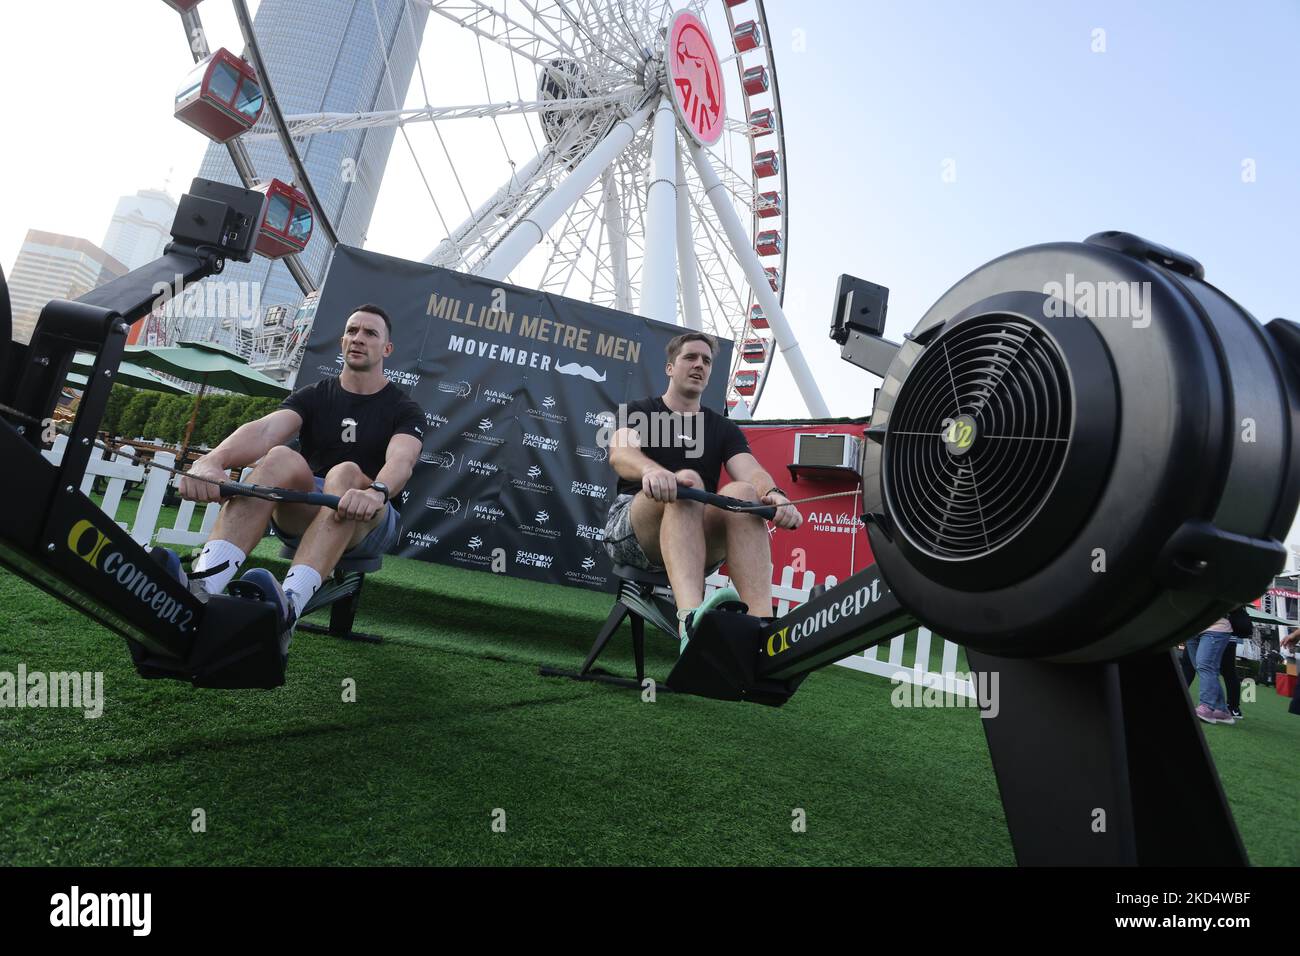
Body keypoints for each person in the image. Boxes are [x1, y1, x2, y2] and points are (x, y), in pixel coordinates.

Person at [156, 304, 424, 638]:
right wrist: (210, 461)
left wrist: (376, 491)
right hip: (307, 512)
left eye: (370, 333)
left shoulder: (404, 408)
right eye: (352, 330)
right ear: (342, 340)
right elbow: (265, 431)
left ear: (387, 349)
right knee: (279, 456)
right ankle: (201, 588)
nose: (358, 338)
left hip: (371, 519)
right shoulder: (314, 395)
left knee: (346, 474)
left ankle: (289, 607)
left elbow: (402, 460)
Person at [603, 331, 802, 651]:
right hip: (634, 533)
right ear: (670, 367)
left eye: (706, 361)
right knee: (687, 482)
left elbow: (751, 471)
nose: (699, 365)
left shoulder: (723, 428)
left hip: (695, 540)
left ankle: (761, 629)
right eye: (690, 358)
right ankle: (691, 624)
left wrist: (775, 494)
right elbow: (620, 453)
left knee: (743, 493)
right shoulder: (640, 410)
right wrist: (651, 471)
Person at [1184, 614, 1237, 725]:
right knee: (1203, 669)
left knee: (1205, 666)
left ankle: (1206, 706)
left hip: (1215, 627)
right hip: (1191, 628)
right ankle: (1221, 710)